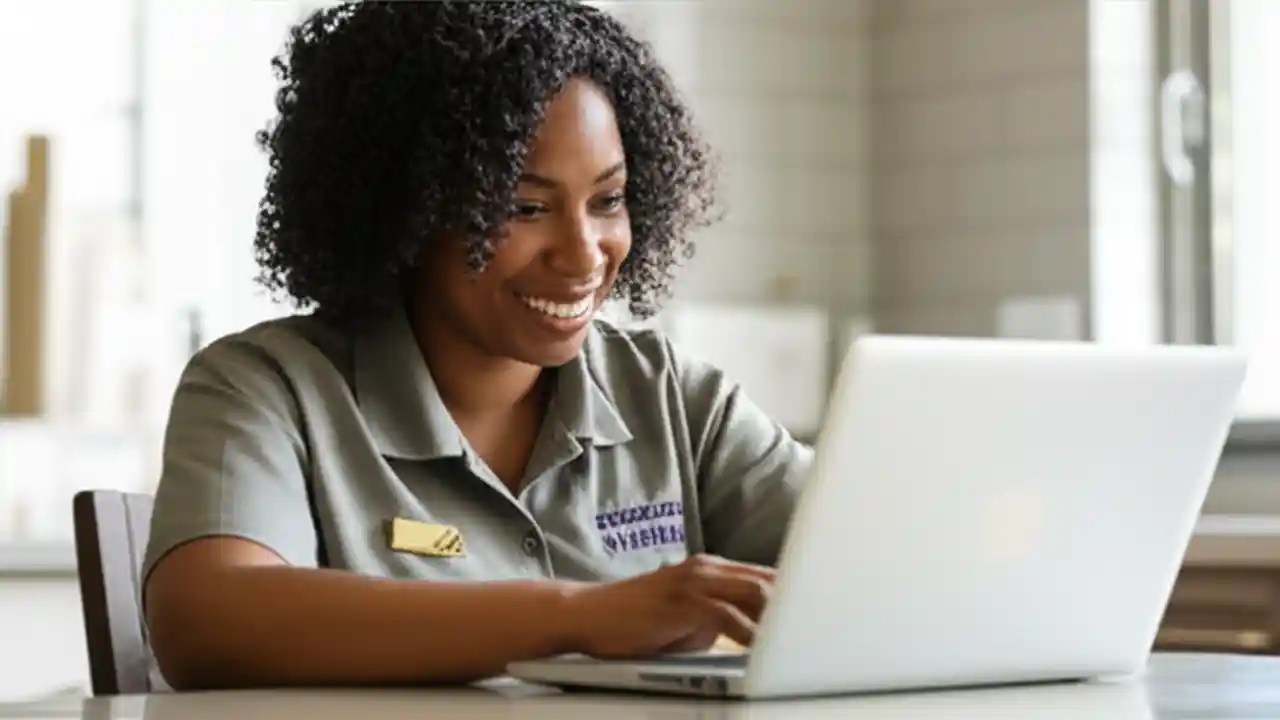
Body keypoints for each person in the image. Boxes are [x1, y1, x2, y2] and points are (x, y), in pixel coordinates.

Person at [143, 0, 812, 690]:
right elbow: (205, 621)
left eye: (608, 201)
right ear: (407, 207)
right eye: (524, 208)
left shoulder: (671, 395)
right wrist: (579, 615)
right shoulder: (266, 387)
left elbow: (882, 564)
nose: (584, 255)